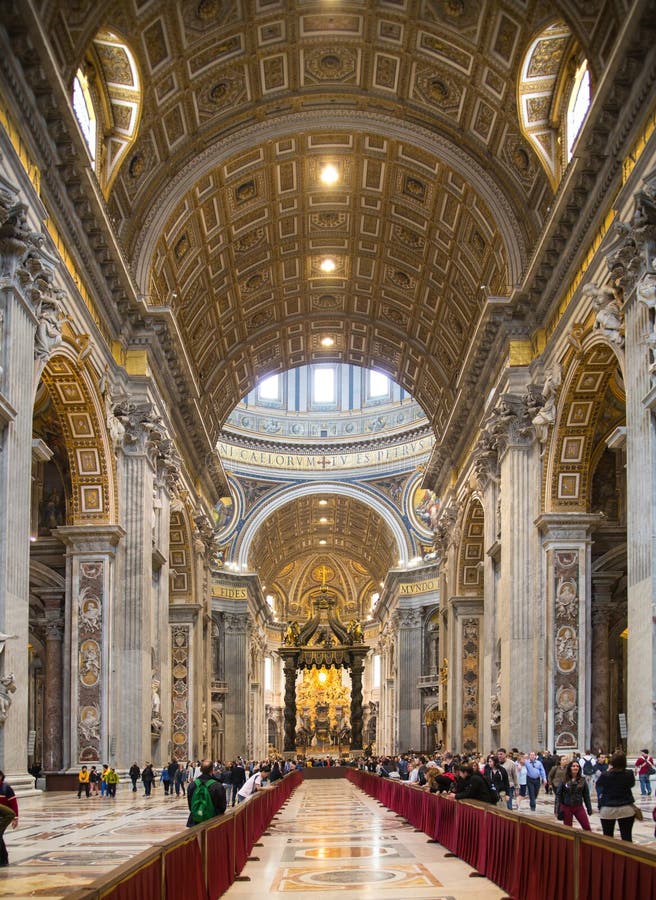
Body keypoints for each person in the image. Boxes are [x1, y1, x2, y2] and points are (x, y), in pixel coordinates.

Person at [596, 751, 636, 842]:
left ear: (612, 762)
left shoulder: (606, 774)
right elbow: (632, 784)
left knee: (608, 837)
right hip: (625, 807)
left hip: (608, 808)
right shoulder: (629, 773)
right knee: (627, 837)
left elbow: (599, 784)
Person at [186, 759, 226, 826]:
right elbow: (222, 807)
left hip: (195, 820)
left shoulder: (192, 785)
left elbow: (190, 805)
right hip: (213, 821)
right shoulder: (218, 786)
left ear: (200, 770)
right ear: (212, 770)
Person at [556, 759, 592, 830]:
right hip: (567, 807)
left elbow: (586, 796)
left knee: (587, 827)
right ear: (570, 768)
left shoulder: (582, 780)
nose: (575, 768)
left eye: (577, 766)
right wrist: (557, 809)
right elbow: (558, 795)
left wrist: (589, 808)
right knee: (568, 829)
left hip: (578, 806)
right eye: (573, 766)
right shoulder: (564, 779)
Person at [0, 771, 18, 867]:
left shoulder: (6, 788)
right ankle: (3, 859)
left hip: (4, 817)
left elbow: (13, 803)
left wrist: (15, 818)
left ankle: (3, 859)